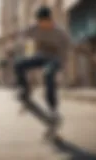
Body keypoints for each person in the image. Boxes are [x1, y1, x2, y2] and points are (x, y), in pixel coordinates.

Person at [14, 6, 71, 138]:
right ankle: (25, 90)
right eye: (40, 22)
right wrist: (4, 40)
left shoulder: (60, 32)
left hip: (55, 60)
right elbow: (19, 33)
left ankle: (52, 109)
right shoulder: (34, 28)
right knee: (19, 64)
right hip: (40, 57)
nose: (42, 25)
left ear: (50, 20)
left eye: (44, 22)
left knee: (48, 74)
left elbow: (68, 48)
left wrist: (63, 65)